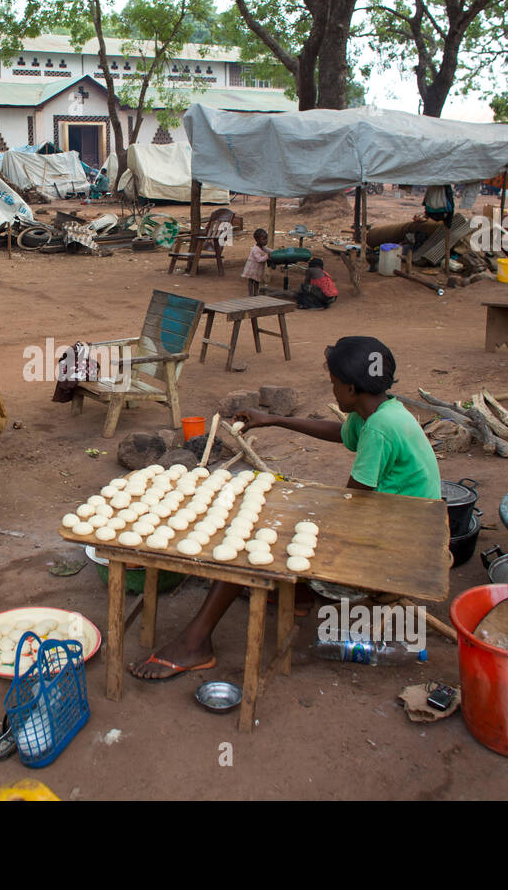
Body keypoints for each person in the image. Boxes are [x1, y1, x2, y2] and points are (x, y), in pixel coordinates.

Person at [129, 336, 441, 680]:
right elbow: (341, 433)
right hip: (396, 519)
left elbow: (354, 503)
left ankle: (195, 643)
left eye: (334, 384)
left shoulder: (381, 427)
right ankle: (301, 594)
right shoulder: (380, 410)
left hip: (401, 544)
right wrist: (273, 419)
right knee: (268, 521)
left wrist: (287, 518)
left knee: (248, 540)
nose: (332, 390)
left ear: (351, 388)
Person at [243, 228, 271, 296]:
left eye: (266, 239)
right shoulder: (255, 249)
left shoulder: (262, 247)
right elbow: (259, 259)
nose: (266, 241)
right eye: (264, 239)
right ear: (257, 240)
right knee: (251, 280)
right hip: (252, 268)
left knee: (257, 281)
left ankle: (255, 293)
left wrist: (276, 252)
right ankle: (250, 294)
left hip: (257, 268)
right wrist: (267, 256)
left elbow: (269, 250)